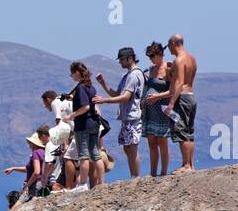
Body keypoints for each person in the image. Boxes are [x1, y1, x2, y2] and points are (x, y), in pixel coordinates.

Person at [95, 47, 146, 178]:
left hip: (133, 115)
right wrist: (103, 83)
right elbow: (117, 94)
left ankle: (136, 176)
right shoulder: (127, 75)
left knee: (132, 146)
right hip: (126, 116)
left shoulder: (134, 75)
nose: (120, 62)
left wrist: (104, 100)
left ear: (130, 58)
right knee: (127, 147)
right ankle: (133, 175)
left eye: (122, 59)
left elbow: (125, 97)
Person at [151, 34, 198, 172]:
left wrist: (171, 104)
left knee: (181, 130)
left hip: (181, 97)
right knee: (189, 131)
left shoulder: (179, 60)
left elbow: (179, 83)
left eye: (168, 46)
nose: (168, 49)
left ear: (173, 43)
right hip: (191, 96)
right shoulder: (191, 58)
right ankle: (190, 164)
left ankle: (186, 165)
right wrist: (172, 70)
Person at [65, 62, 104, 190]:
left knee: (83, 156)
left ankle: (82, 184)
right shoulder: (91, 86)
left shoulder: (80, 87)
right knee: (96, 154)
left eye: (72, 74)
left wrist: (71, 116)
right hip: (94, 123)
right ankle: (102, 183)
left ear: (77, 72)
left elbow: (85, 106)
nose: (71, 76)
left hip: (83, 124)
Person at [140, 42, 172, 177]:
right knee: (152, 142)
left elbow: (173, 90)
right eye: (150, 57)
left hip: (161, 110)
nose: (152, 59)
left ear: (160, 54)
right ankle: (153, 173)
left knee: (162, 141)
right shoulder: (151, 69)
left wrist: (158, 96)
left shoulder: (168, 69)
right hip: (149, 111)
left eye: (153, 56)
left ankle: (163, 172)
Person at [6, 131, 47, 201]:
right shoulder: (43, 152)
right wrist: (13, 168)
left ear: (34, 144)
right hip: (42, 183)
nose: (29, 145)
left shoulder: (35, 153)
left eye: (30, 143)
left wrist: (27, 185)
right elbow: (30, 169)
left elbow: (37, 172)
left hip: (35, 184)